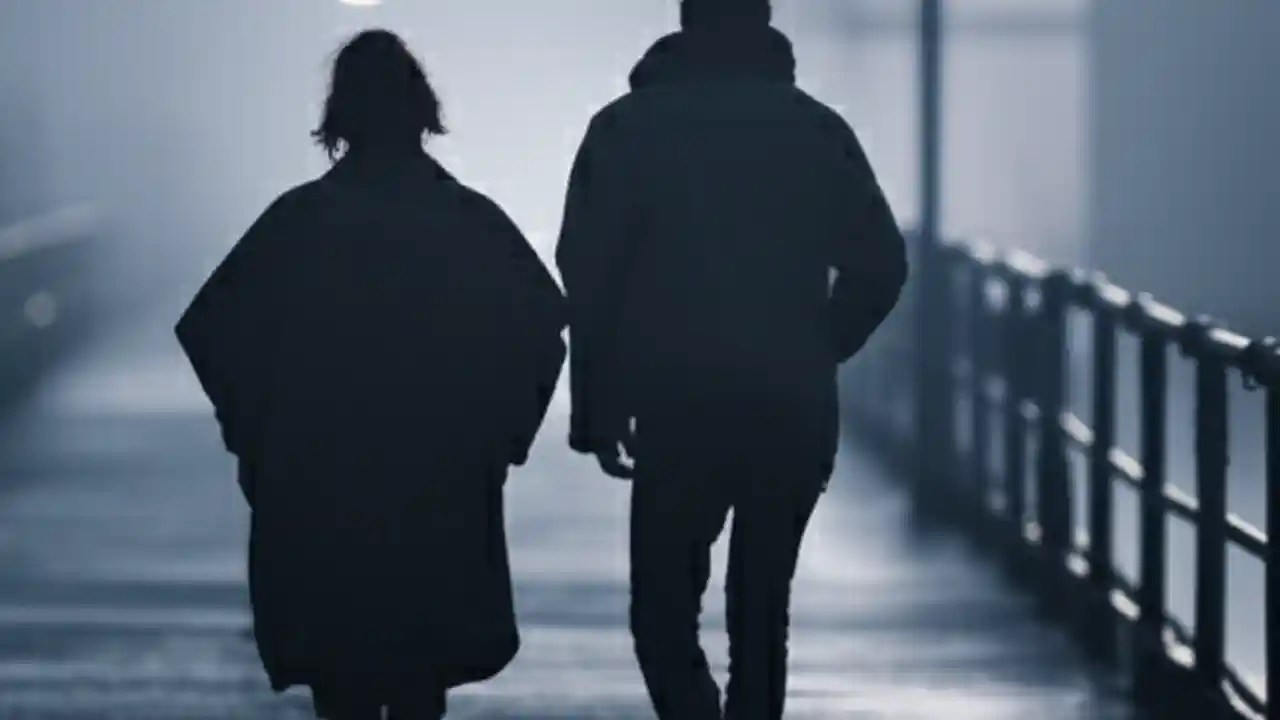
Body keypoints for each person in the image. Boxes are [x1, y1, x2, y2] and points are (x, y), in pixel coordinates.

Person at [176, 29, 565, 720]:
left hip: (319, 470)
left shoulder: (297, 222)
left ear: (341, 118)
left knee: (341, 664)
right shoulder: (470, 223)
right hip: (439, 470)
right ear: (422, 112)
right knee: (422, 664)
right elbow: (541, 328)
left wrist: (253, 431)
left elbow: (209, 328)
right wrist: (503, 434)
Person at [555, 1, 908, 717]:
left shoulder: (626, 130)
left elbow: (589, 276)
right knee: (760, 611)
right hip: (789, 402)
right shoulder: (816, 129)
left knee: (662, 611)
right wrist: (821, 346)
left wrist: (596, 399)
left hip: (676, 401)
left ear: (687, 21)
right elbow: (881, 264)